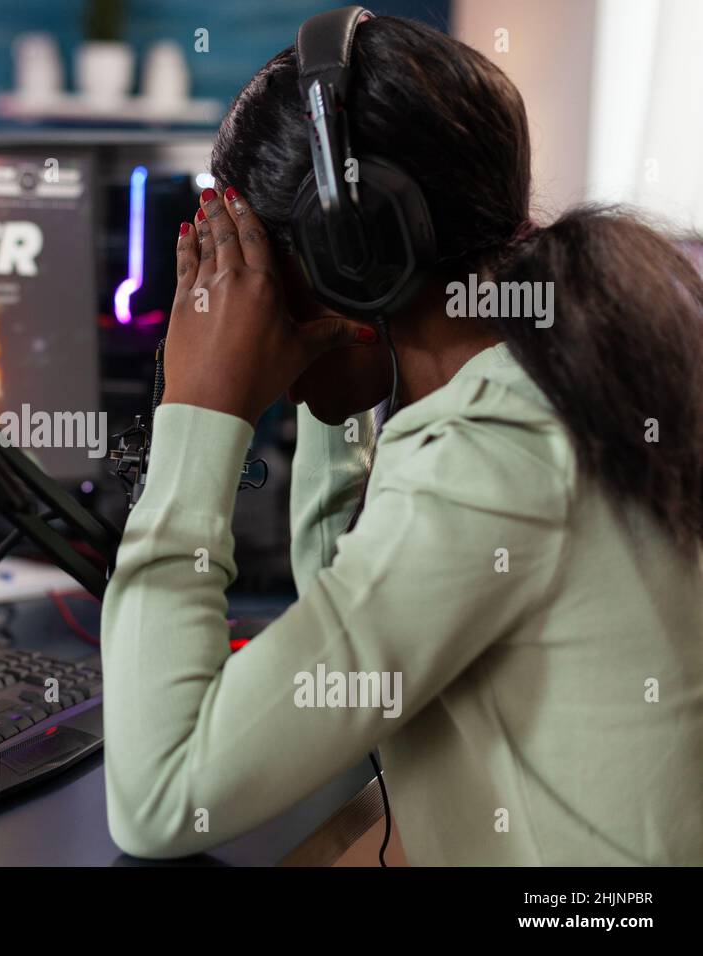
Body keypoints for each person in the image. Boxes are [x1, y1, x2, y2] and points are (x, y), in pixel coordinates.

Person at [99, 13, 703, 865]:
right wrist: (334, 379)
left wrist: (200, 415)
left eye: (252, 272)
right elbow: (356, 644)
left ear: (356, 262)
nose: (231, 304)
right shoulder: (551, 373)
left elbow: (162, 798)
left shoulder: (495, 451)